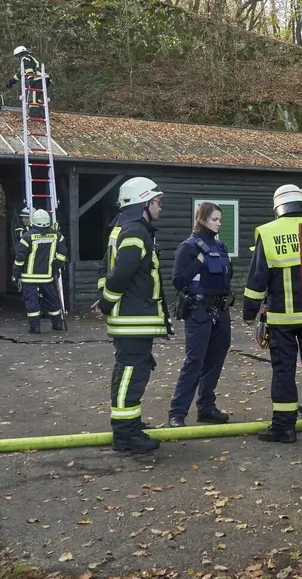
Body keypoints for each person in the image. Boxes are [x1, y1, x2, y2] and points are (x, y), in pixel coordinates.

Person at [243, 185, 302, 443]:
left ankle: (284, 428)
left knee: (283, 372)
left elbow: (256, 279)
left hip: (281, 320)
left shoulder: (268, 233)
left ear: (277, 208)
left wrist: (249, 312)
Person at [94, 177, 172, 453]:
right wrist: (106, 302)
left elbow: (105, 269)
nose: (160, 207)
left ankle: (129, 425)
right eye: (157, 202)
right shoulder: (136, 232)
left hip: (131, 318)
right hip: (133, 319)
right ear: (144, 203)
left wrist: (104, 298)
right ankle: (126, 435)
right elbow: (121, 274)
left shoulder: (122, 230)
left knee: (129, 372)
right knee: (131, 374)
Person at [167, 202, 233, 427]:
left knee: (215, 360)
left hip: (220, 310)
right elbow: (178, 280)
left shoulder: (221, 246)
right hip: (198, 310)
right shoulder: (188, 247)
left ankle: (206, 408)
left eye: (220, 219)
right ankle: (177, 413)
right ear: (202, 219)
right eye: (215, 219)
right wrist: (198, 262)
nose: (219, 223)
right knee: (194, 361)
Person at [12, 208, 68, 333]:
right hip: (47, 277)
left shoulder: (27, 237)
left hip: (29, 278)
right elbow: (62, 255)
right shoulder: (57, 236)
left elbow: (20, 258)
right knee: (52, 301)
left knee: (32, 303)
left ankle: (35, 327)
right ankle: (57, 324)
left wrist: (16, 274)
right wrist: (55, 266)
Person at [7, 46, 47, 119]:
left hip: (37, 79)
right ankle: (41, 113)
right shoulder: (30, 59)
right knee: (37, 97)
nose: (18, 59)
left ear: (19, 54)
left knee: (33, 97)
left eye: (17, 56)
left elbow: (28, 68)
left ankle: (34, 114)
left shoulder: (25, 58)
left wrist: (31, 77)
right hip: (42, 79)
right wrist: (12, 81)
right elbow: (21, 73)